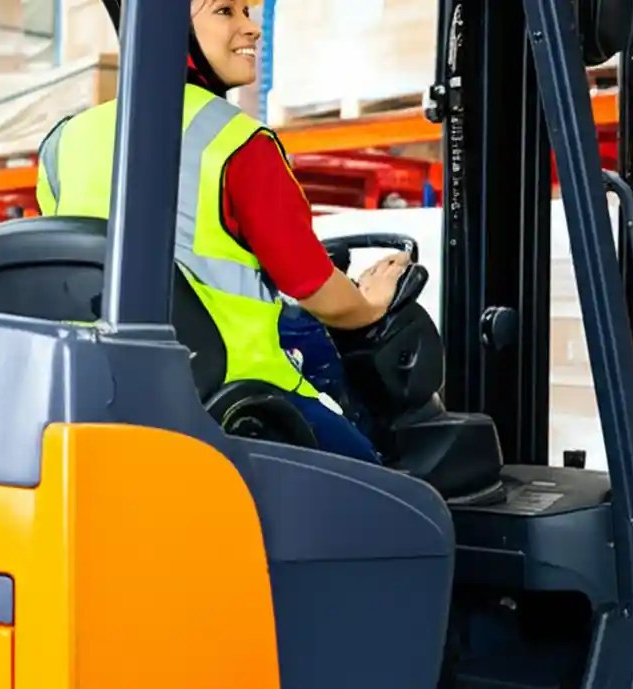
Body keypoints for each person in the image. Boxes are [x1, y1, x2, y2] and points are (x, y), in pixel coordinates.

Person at [34, 0, 409, 464]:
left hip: (100, 392)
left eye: (248, 12)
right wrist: (368, 305)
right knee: (387, 487)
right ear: (176, 32)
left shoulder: (62, 144)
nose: (251, 29)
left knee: (302, 331)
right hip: (234, 399)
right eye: (226, 11)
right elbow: (314, 288)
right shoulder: (238, 142)